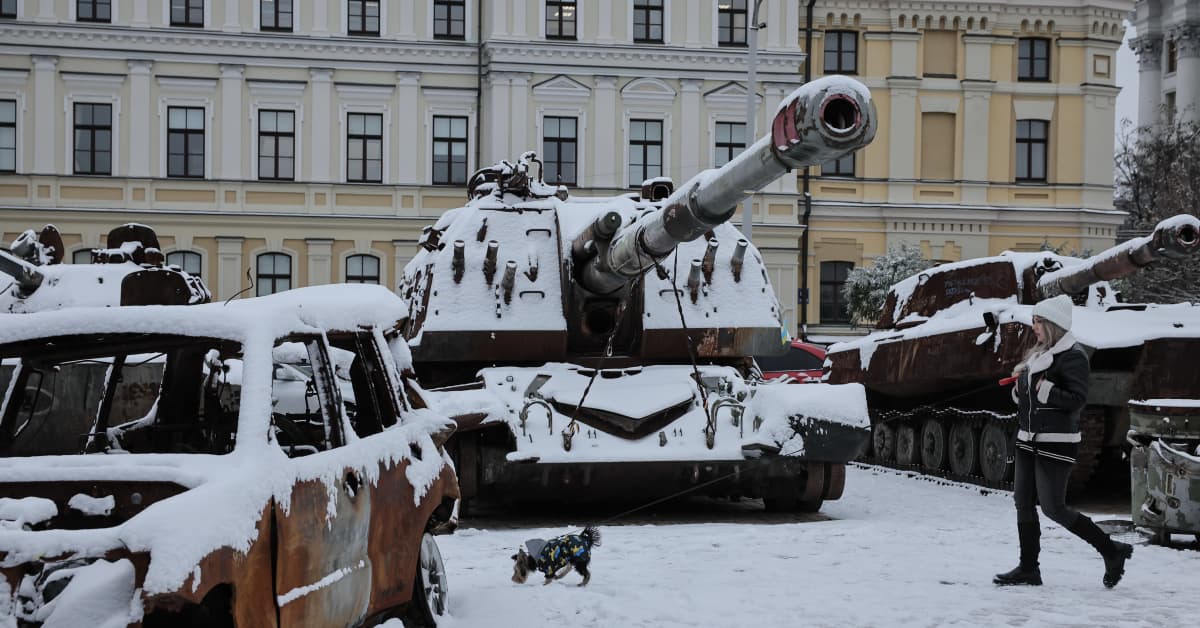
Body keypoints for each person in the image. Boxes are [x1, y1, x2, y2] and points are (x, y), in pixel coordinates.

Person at [993, 294, 1133, 588]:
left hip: (1056, 442)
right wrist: (1022, 389)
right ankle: (1029, 569)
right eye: (1033, 322)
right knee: (1022, 502)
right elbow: (1030, 398)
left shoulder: (1073, 356)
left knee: (1053, 508)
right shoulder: (1037, 356)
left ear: (1054, 325)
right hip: (1028, 439)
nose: (1034, 328)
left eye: (1039, 322)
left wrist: (1045, 389)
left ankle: (1112, 550)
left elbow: (1077, 400)